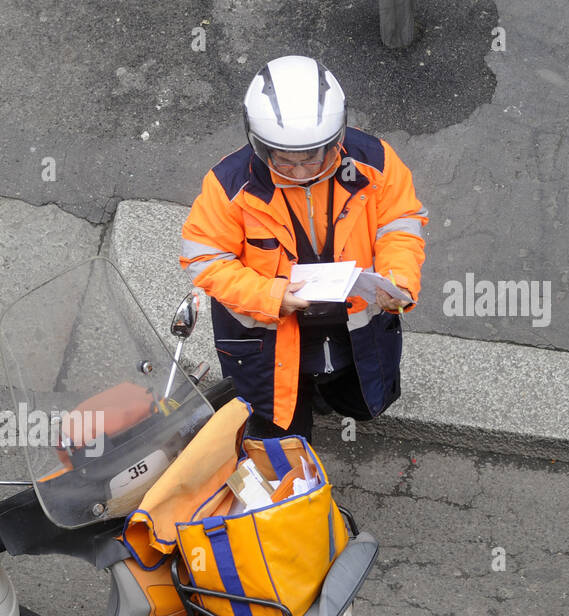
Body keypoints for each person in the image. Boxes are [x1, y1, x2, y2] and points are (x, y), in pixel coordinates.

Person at [180, 54, 427, 441]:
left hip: (353, 323)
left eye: (312, 157)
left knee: (360, 400)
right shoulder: (226, 185)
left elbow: (399, 225)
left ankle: (326, 394)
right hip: (270, 341)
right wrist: (270, 295)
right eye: (284, 160)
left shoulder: (377, 162)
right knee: (281, 433)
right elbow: (205, 257)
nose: (300, 171)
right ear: (260, 144)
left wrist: (398, 279)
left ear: (335, 139)